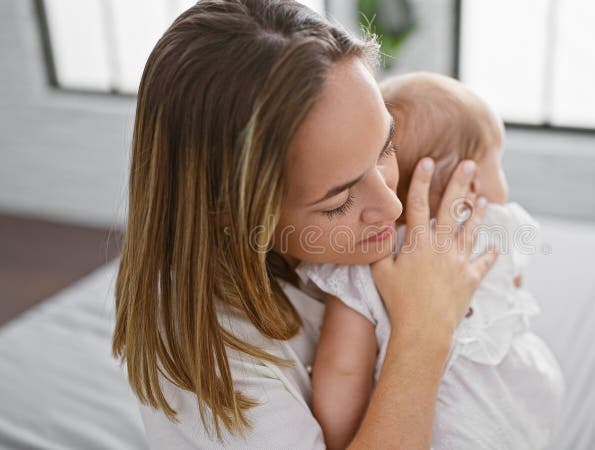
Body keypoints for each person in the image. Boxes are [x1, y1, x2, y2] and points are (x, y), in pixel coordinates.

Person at [111, 0, 497, 448]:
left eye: (386, 146)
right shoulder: (206, 353)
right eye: (337, 200)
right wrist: (425, 330)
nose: (391, 207)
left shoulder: (345, 231)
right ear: (228, 212)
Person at [298, 72, 565, 449]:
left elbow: (342, 370)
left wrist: (343, 440)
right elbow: (513, 290)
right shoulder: (497, 232)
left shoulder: (363, 263)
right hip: (522, 410)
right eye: (498, 165)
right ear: (470, 185)